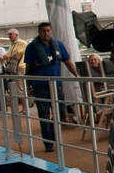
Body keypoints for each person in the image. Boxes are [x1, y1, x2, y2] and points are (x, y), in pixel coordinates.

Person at [24, 22, 79, 152]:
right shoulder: (32, 47)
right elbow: (28, 67)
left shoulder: (58, 45)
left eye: (48, 30)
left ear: (51, 31)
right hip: (40, 85)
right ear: (39, 32)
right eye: (43, 31)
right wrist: (29, 85)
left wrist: (77, 75)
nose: (46, 33)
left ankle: (53, 136)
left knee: (59, 112)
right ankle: (48, 143)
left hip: (56, 84)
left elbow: (67, 61)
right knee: (44, 113)